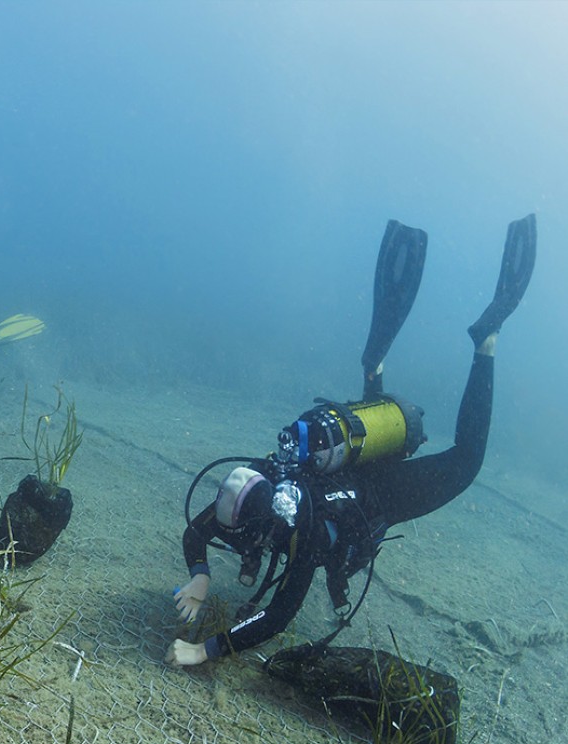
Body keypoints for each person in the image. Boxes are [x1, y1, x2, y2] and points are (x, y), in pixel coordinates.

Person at [167, 215, 536, 667]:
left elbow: (277, 616)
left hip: (384, 493)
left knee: (467, 462)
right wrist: (200, 576)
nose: (233, 538)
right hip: (348, 461)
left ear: (264, 521)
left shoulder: (299, 527)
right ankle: (374, 365)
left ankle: (487, 341)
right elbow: (197, 531)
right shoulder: (254, 485)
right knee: (375, 431)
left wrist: (205, 649)